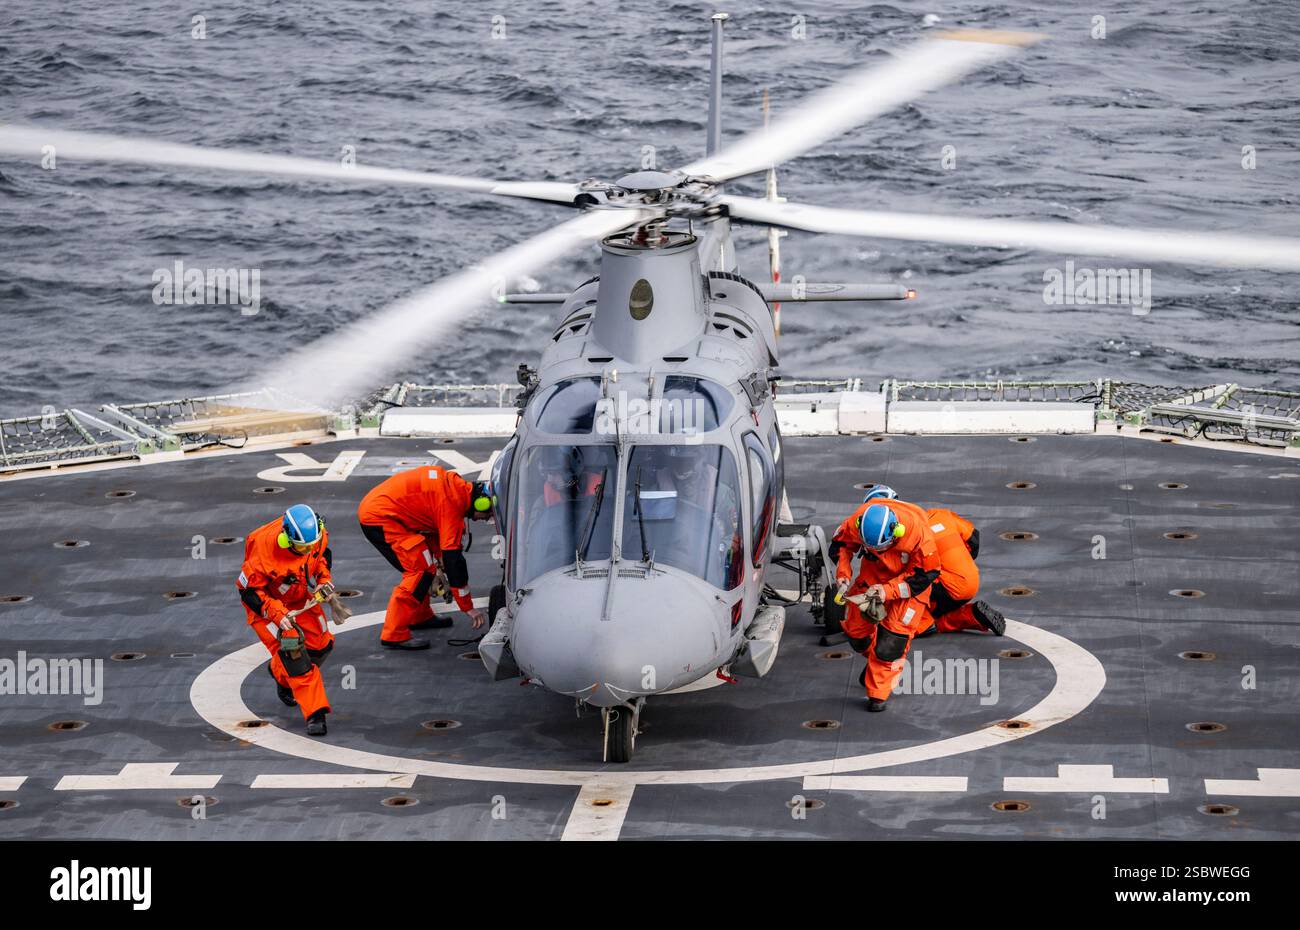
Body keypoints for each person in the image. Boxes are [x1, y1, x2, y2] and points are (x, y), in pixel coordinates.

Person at [357, 465, 493, 649]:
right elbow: (454, 560)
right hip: (380, 517)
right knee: (419, 571)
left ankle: (419, 616)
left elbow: (433, 528)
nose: (484, 519)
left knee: (428, 566)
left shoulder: (455, 491)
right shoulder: (451, 505)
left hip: (384, 509)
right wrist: (467, 606)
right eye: (488, 515)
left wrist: (439, 562)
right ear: (480, 503)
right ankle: (394, 634)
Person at [831, 500, 942, 712]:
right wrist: (843, 574)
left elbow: (925, 575)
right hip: (872, 577)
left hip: (909, 587)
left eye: (881, 547)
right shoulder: (858, 521)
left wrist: (887, 591)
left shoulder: (918, 535)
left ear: (896, 533)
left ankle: (878, 693)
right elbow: (842, 545)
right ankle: (876, 662)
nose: (876, 550)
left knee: (892, 642)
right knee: (857, 635)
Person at [236, 504, 336, 736]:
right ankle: (315, 713)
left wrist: (323, 579)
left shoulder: (315, 538)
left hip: (299, 598)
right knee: (294, 655)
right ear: (286, 540)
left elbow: (322, 556)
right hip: (267, 608)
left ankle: (279, 673)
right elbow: (248, 591)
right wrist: (277, 614)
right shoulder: (262, 549)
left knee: (322, 646)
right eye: (303, 547)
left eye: (312, 544)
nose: (308, 549)